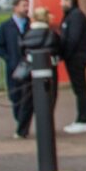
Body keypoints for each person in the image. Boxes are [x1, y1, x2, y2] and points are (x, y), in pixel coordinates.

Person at [16, 7, 63, 140]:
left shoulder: (26, 34)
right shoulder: (52, 35)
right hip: (48, 70)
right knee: (49, 98)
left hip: (30, 69)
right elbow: (59, 50)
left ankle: (21, 130)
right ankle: (46, 127)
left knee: (27, 100)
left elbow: (21, 50)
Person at [60, 0, 86, 134]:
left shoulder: (76, 16)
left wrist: (65, 54)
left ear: (69, 1)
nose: (60, 4)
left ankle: (84, 120)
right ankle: (81, 118)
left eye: (62, 1)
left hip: (76, 58)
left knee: (80, 89)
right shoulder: (71, 16)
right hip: (74, 57)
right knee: (78, 89)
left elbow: (73, 39)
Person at [0, 0, 30, 129]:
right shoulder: (5, 26)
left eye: (27, 6)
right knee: (15, 95)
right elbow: (0, 47)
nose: (26, 9)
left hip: (28, 66)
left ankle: (23, 124)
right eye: (23, 5)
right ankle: (19, 120)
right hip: (13, 67)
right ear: (15, 7)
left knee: (28, 95)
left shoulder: (30, 24)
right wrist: (9, 59)